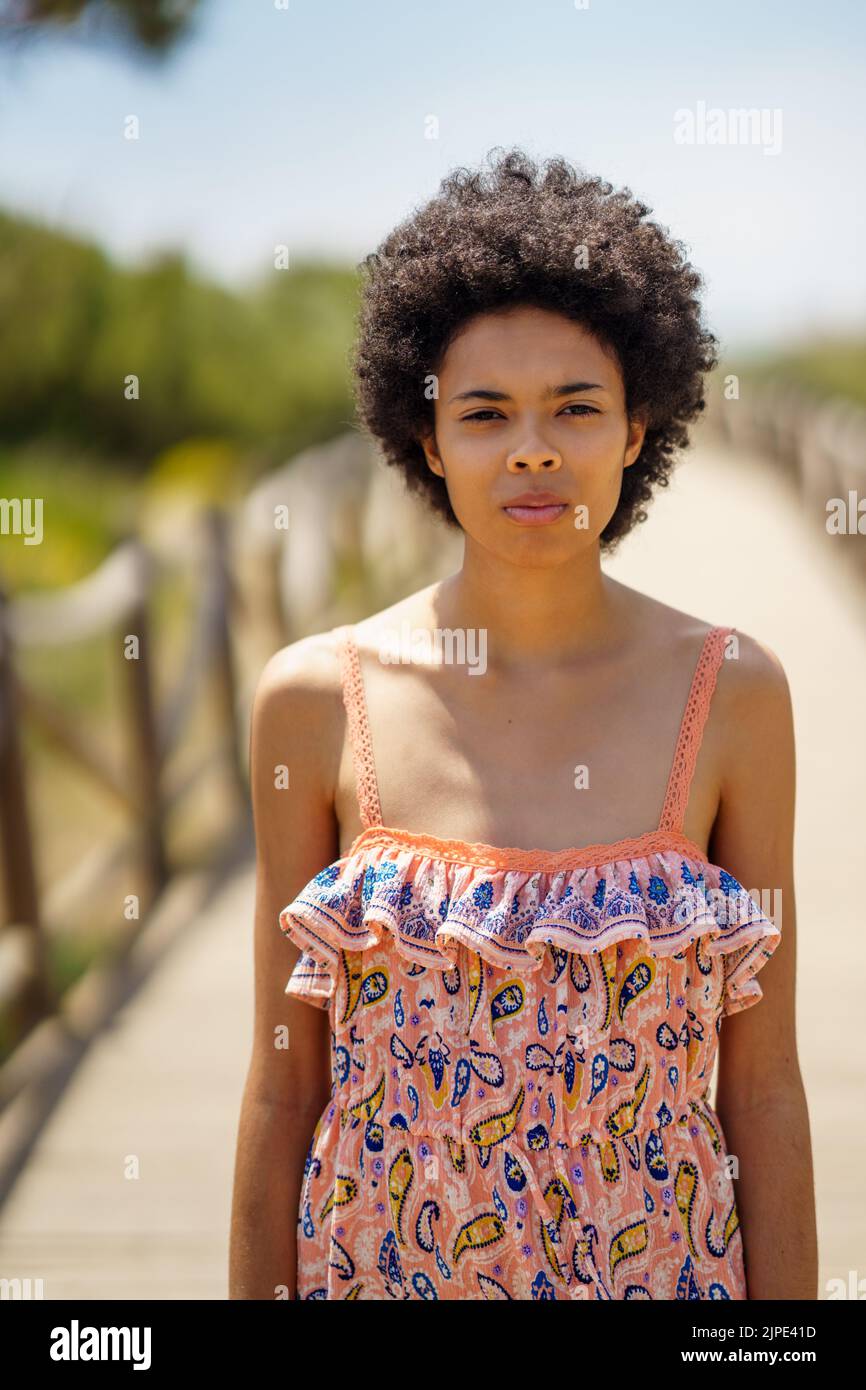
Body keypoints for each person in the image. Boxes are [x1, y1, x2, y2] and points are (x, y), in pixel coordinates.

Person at [229, 147, 816, 1301]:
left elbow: (762, 1087)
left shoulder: (733, 690)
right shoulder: (312, 699)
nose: (533, 447)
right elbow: (280, 1082)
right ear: (427, 438)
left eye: (575, 407)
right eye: (485, 413)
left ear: (637, 427)